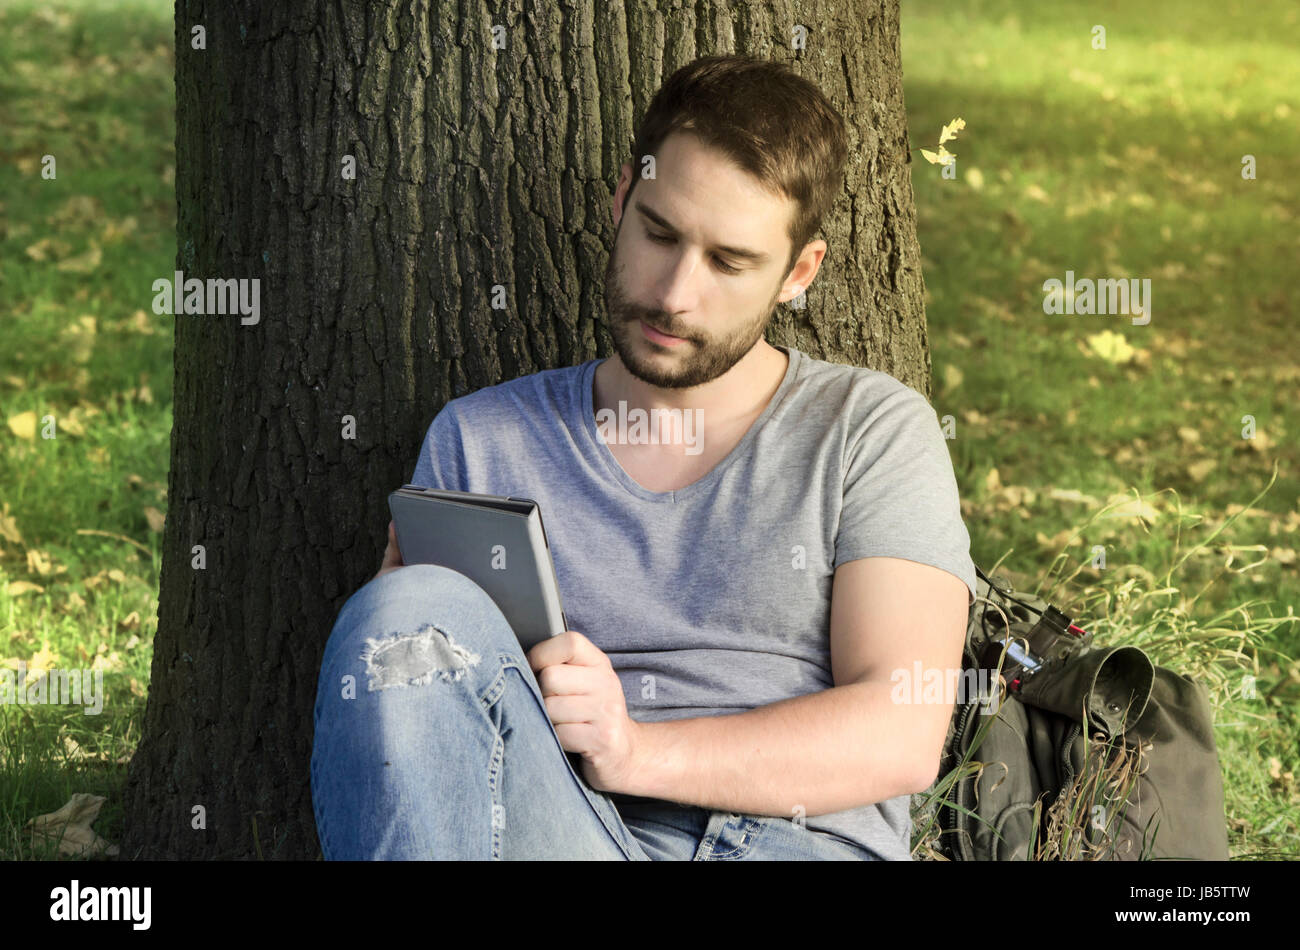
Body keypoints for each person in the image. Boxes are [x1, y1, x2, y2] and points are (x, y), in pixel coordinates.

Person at [311, 54, 976, 860]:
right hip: (555, 826)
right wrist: (412, 659)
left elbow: (901, 731)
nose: (674, 294)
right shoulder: (481, 439)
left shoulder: (867, 429)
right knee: (398, 617)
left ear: (799, 273)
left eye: (729, 263)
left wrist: (634, 749)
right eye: (659, 233)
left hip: (789, 842)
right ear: (622, 200)